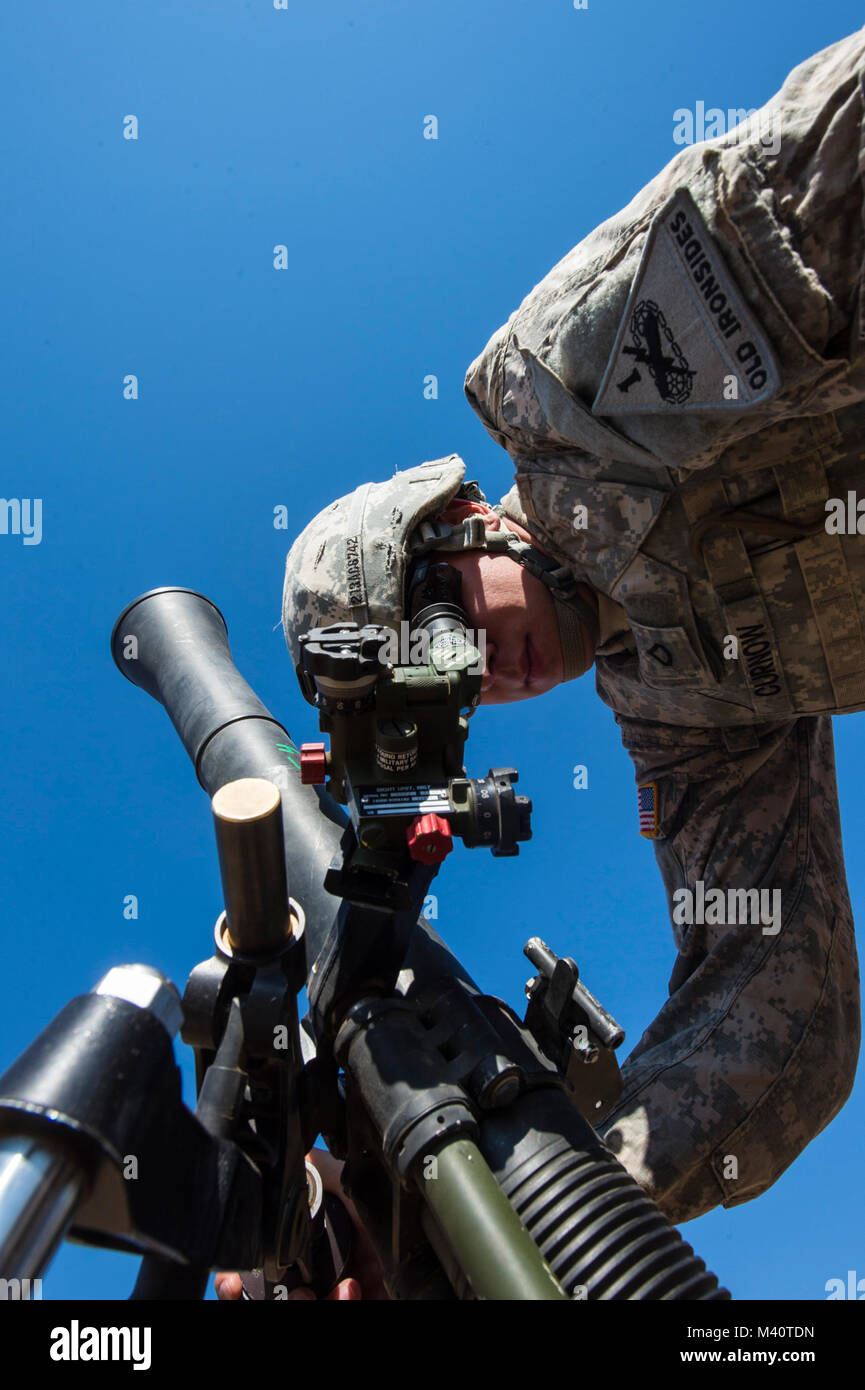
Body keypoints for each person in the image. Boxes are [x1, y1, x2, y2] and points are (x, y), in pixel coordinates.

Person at [225, 24, 865, 1298]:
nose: (488, 673)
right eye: (449, 685)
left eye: (443, 621)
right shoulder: (682, 707)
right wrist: (515, 1210)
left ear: (459, 522)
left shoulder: (583, 390)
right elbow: (778, 1000)